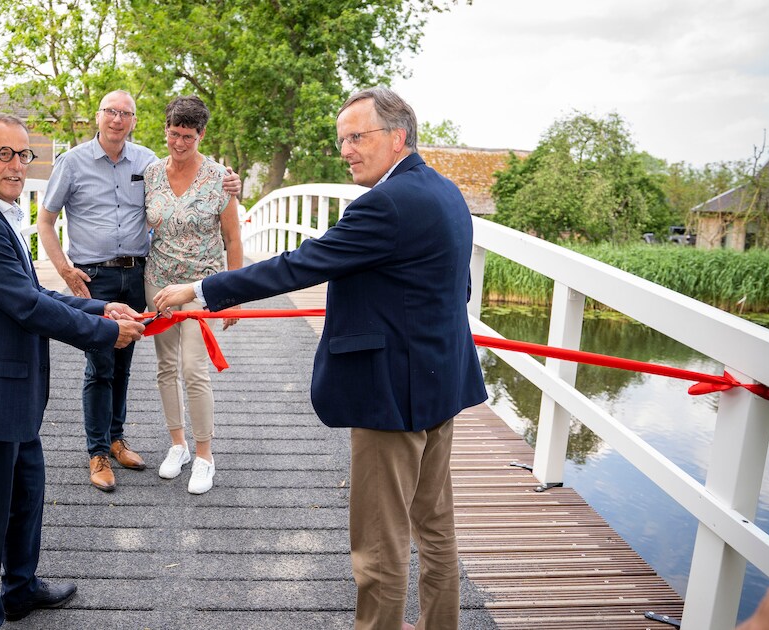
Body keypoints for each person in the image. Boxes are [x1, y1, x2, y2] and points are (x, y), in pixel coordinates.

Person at [154, 87, 487, 630]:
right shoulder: (445, 192)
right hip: (440, 381)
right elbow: (459, 289)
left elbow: (297, 265)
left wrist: (201, 288)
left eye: (357, 137)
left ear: (397, 137)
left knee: (379, 544)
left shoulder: (385, 203)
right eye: (342, 140)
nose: (346, 150)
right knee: (435, 526)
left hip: (392, 395)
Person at [0, 113, 144, 629]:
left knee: (26, 496)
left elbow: (33, 291)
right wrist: (104, 334)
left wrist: (101, 308)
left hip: (9, 394)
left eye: (23, 154)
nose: (16, 165)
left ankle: (20, 589)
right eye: (2, 153)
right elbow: (27, 307)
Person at [38, 90, 241, 492]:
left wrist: (231, 182)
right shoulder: (77, 162)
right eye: (111, 111)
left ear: (134, 120)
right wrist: (64, 269)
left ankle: (125, 441)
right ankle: (100, 451)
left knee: (135, 365)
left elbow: (220, 215)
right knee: (102, 365)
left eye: (125, 113)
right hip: (103, 278)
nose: (117, 119)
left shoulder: (148, 163)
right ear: (99, 115)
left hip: (147, 276)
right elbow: (46, 220)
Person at [143, 95, 243, 494]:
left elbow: (233, 239)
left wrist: (234, 294)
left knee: (193, 368)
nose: (179, 143)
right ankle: (178, 445)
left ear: (201, 135)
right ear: (165, 130)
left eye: (188, 136)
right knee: (166, 366)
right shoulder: (151, 173)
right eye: (173, 134)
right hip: (159, 281)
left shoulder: (220, 178)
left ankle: (205, 455)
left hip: (203, 285)